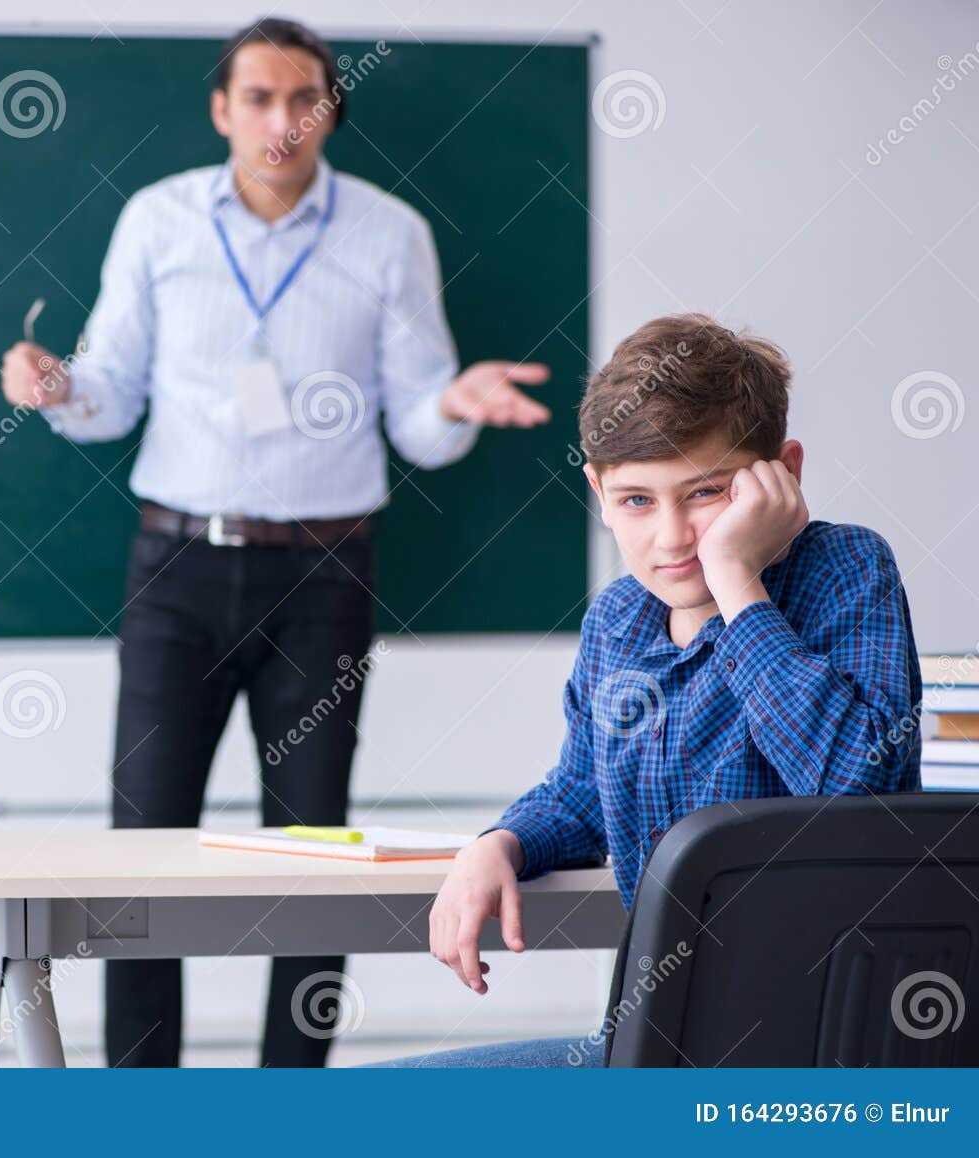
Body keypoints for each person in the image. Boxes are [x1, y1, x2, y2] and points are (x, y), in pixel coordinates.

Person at [0, 18, 552, 1067]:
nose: (281, 120)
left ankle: (290, 1103)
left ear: (329, 110)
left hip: (324, 575)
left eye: (304, 98)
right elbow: (107, 397)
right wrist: (56, 385)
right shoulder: (157, 221)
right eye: (257, 97)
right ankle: (138, 1102)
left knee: (314, 855)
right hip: (177, 569)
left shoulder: (387, 234)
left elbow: (418, 430)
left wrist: (459, 401)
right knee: (145, 855)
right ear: (221, 110)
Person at [372, 312, 923, 1067]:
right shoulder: (620, 621)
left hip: (825, 1045)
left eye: (707, 494)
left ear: (783, 473)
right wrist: (499, 843)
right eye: (637, 500)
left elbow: (854, 792)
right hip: (664, 1036)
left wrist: (738, 583)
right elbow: (582, 793)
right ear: (598, 491)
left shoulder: (843, 570)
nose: (672, 538)